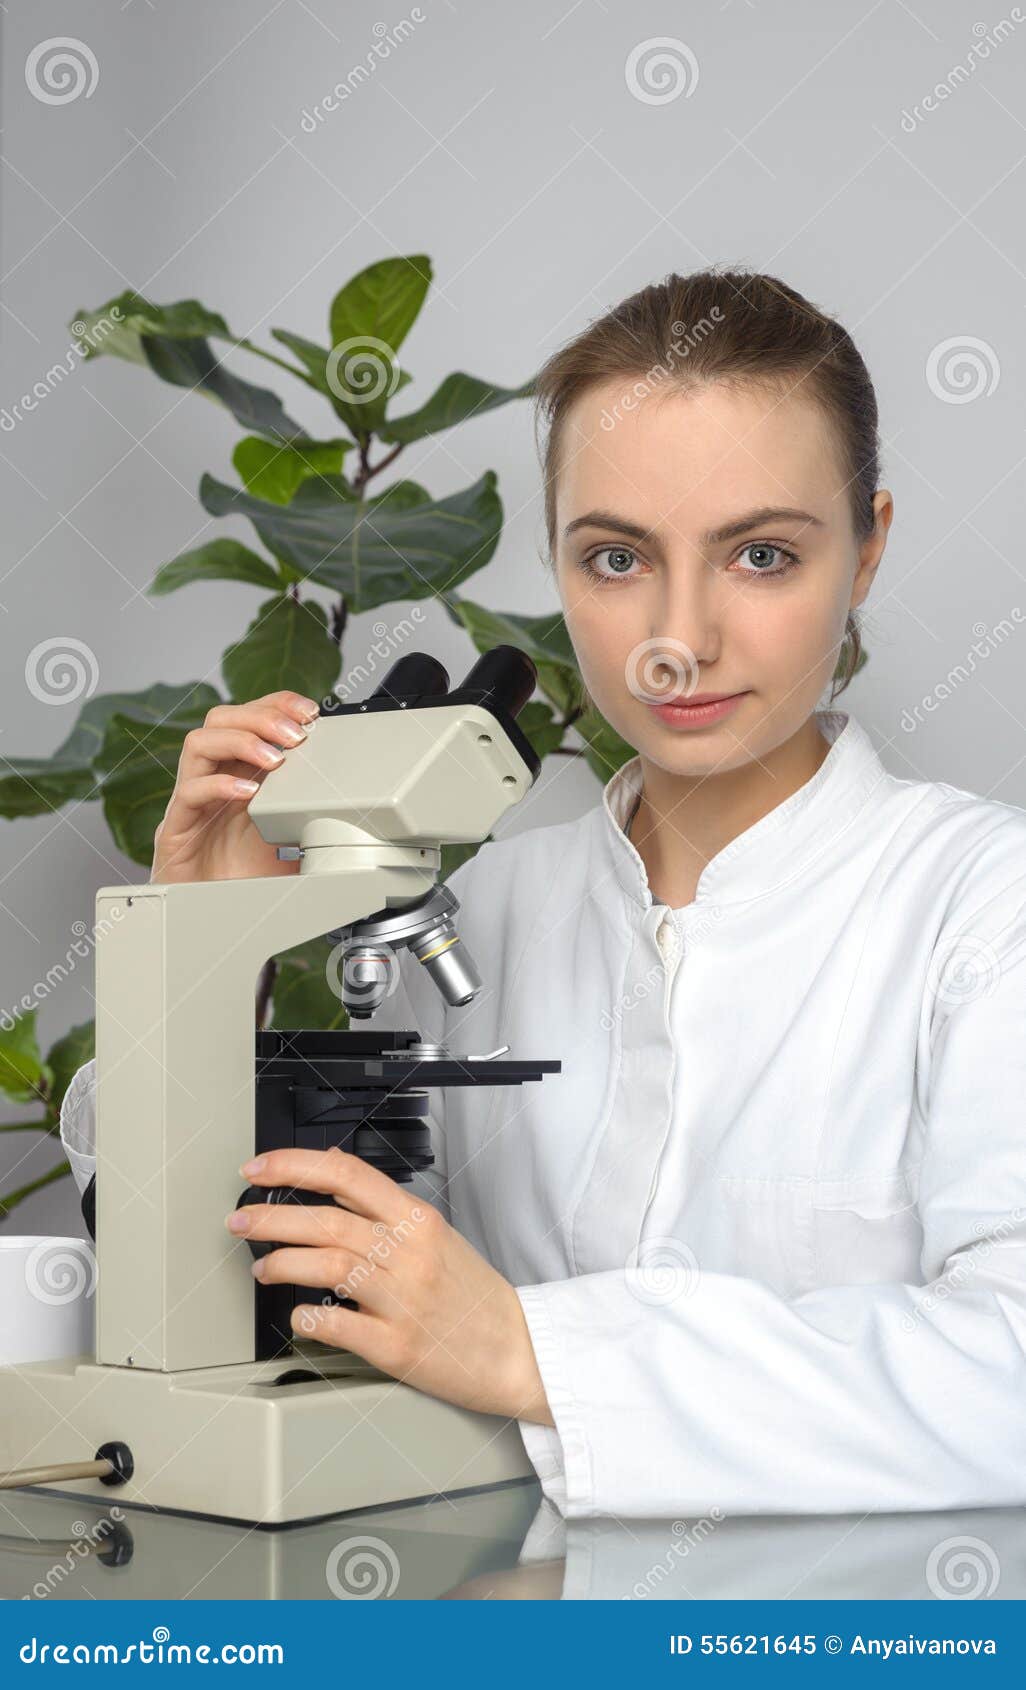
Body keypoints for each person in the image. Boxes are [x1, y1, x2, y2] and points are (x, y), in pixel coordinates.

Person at [60, 267, 1026, 1521]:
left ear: (870, 547)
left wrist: (533, 1351)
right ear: (557, 561)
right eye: (617, 556)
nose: (679, 635)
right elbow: (291, 1307)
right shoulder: (487, 910)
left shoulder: (981, 905)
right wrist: (195, 960)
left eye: (763, 554)